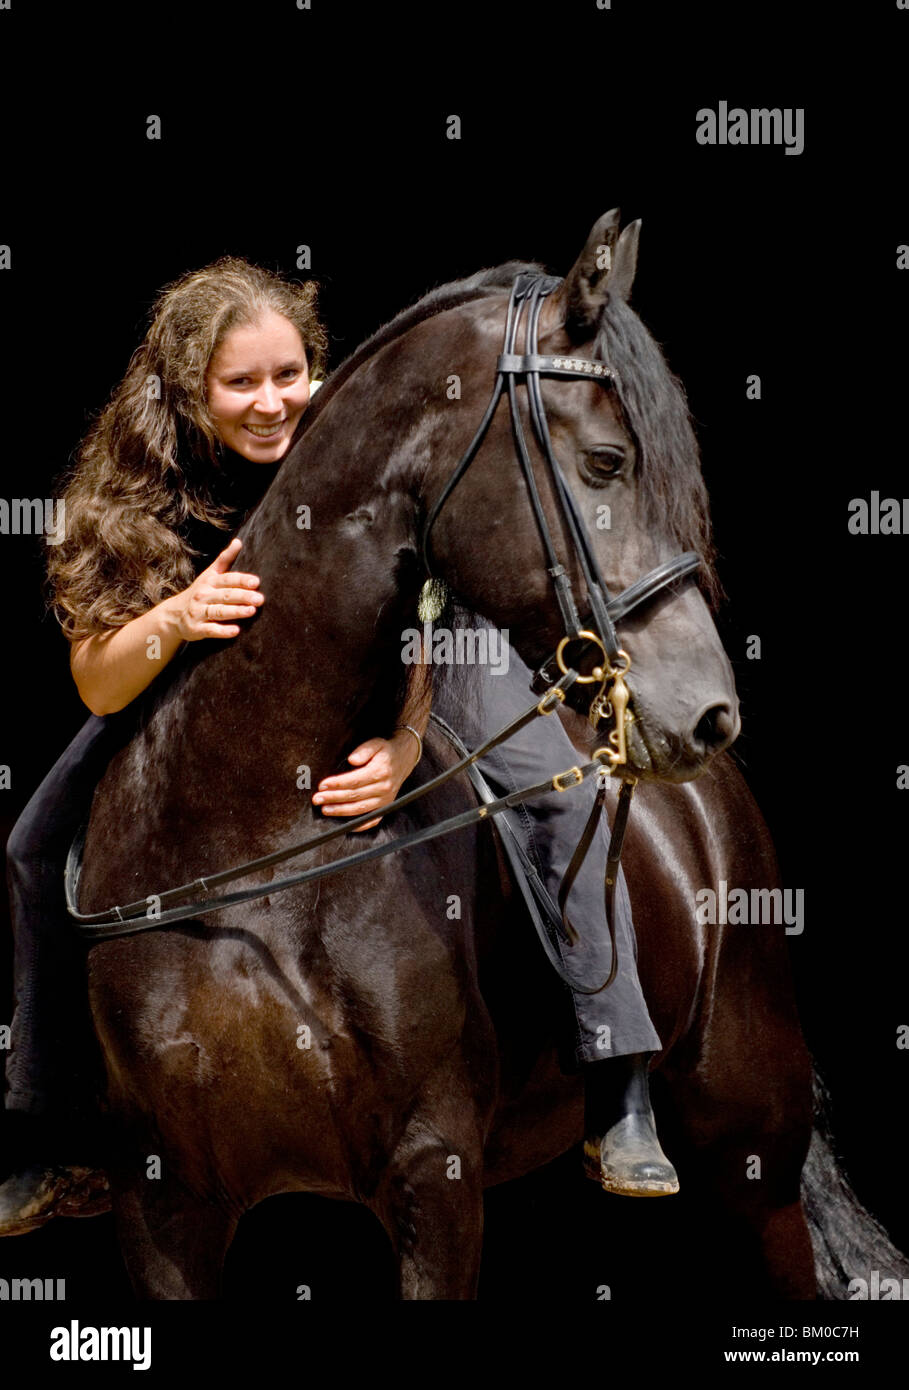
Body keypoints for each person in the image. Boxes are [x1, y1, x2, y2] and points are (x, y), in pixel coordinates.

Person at [0, 257, 677, 1237]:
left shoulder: (359, 442)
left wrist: (407, 746)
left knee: (556, 787)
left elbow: (433, 601)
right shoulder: (138, 490)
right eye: (242, 383)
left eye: (292, 373)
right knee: (30, 845)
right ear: (190, 389)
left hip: (417, 649)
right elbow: (99, 678)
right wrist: (182, 615)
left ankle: (619, 1076)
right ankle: (49, 1128)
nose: (274, 402)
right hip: (194, 682)